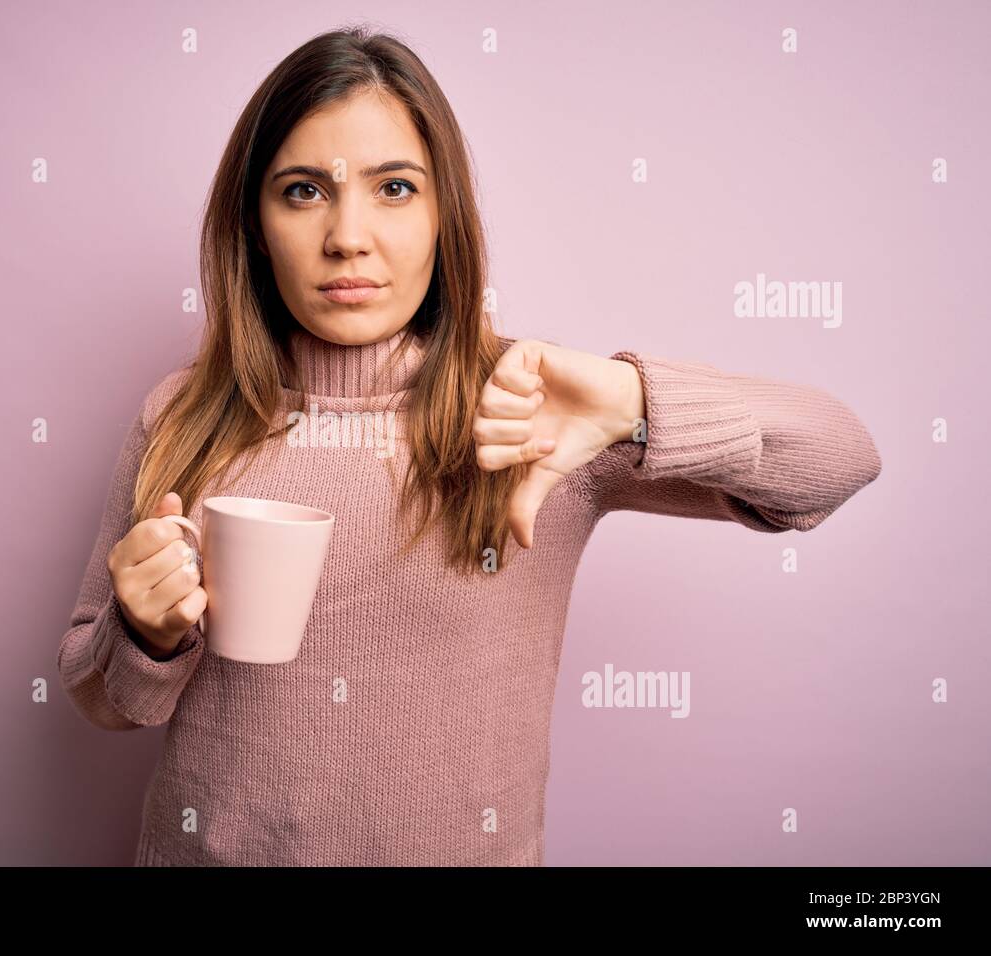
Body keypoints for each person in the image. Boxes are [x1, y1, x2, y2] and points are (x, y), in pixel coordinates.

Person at [56, 26, 882, 866]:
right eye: (303, 190)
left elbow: (840, 457)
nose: (347, 236)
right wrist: (145, 635)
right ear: (254, 224)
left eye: (395, 188)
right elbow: (101, 701)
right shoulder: (183, 416)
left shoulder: (537, 412)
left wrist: (635, 398)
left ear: (446, 213)